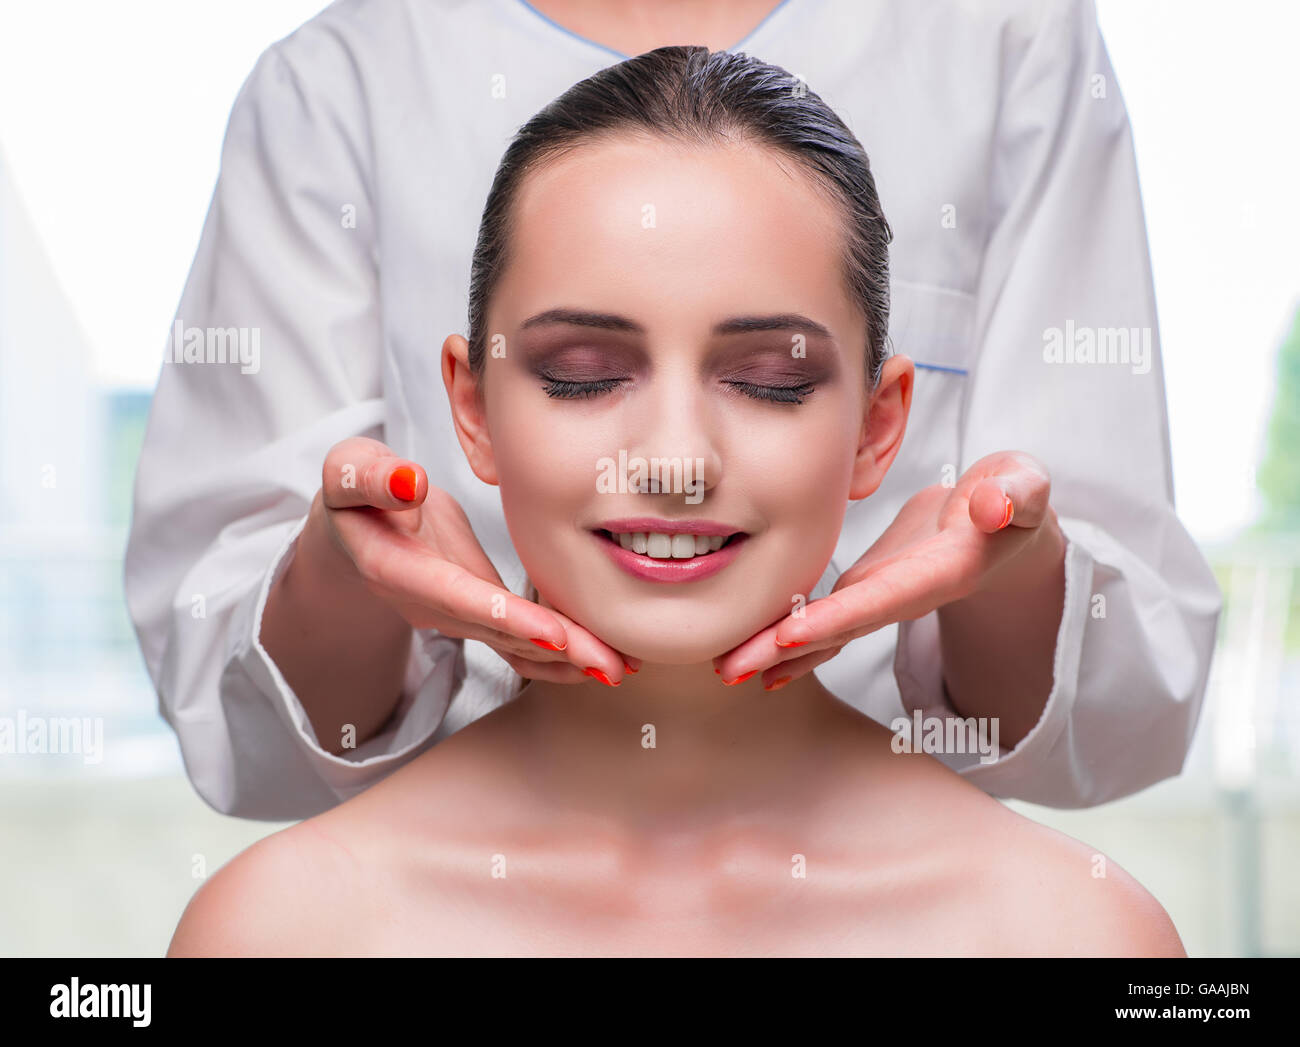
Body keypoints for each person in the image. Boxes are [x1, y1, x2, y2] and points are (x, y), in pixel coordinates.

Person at [167, 47, 1184, 955]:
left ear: (879, 428)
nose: (674, 462)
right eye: (580, 372)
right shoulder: (280, 929)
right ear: (470, 408)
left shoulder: (1076, 933)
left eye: (772, 380)